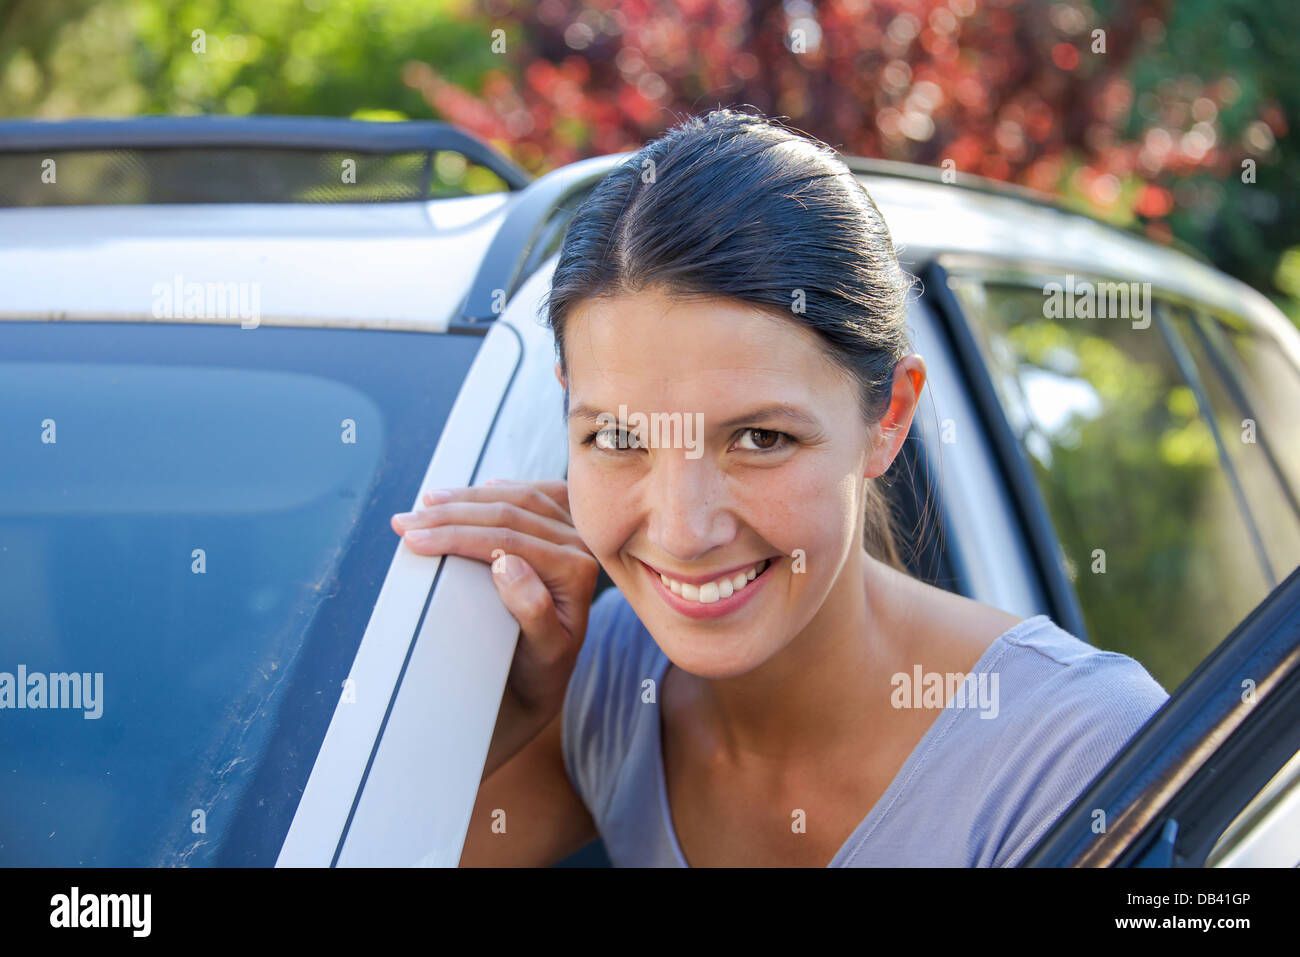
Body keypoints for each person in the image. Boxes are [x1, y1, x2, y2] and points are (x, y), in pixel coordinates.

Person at [391, 107, 1169, 867]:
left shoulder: (1073, 756)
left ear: (890, 416)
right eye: (620, 438)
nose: (683, 530)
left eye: (760, 438)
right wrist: (506, 716)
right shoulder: (611, 685)